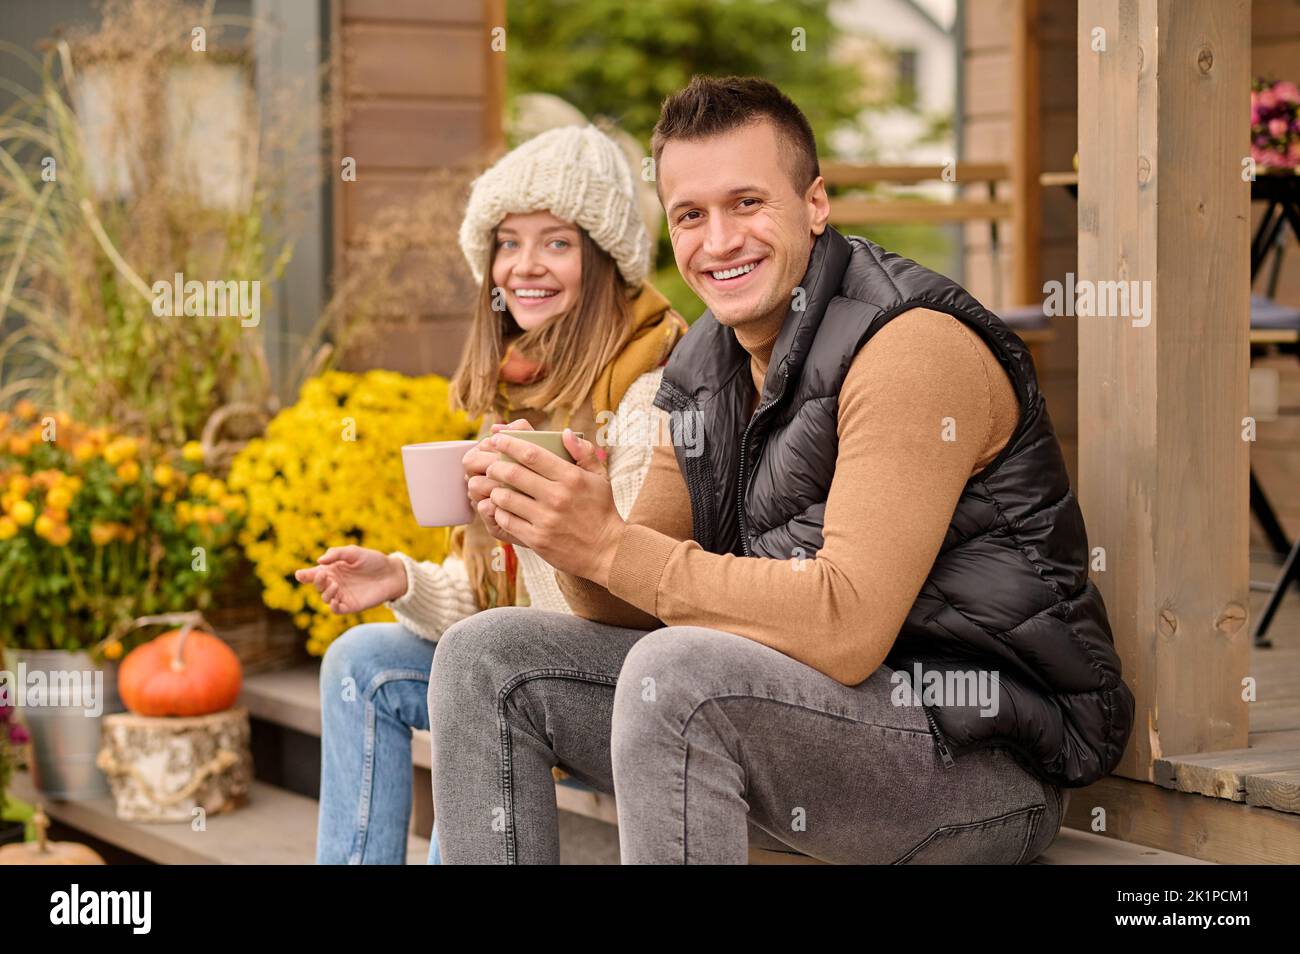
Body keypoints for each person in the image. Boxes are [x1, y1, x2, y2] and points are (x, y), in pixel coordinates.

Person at [428, 76, 1136, 864]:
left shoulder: (910, 349)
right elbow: (630, 603)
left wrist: (608, 547)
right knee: (484, 656)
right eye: (691, 216)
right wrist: (569, 531)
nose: (720, 240)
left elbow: (848, 624)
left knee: (682, 676)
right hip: (795, 723)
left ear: (815, 205)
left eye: (747, 203)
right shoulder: (702, 363)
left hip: (978, 760)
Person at [301, 125, 685, 864]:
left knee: (477, 681)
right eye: (508, 243)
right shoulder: (518, 388)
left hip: (619, 684)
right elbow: (494, 601)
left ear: (606, 258)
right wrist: (401, 578)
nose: (524, 266)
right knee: (359, 664)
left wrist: (537, 514)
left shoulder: (648, 390)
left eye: (556, 242)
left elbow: (633, 604)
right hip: (506, 658)